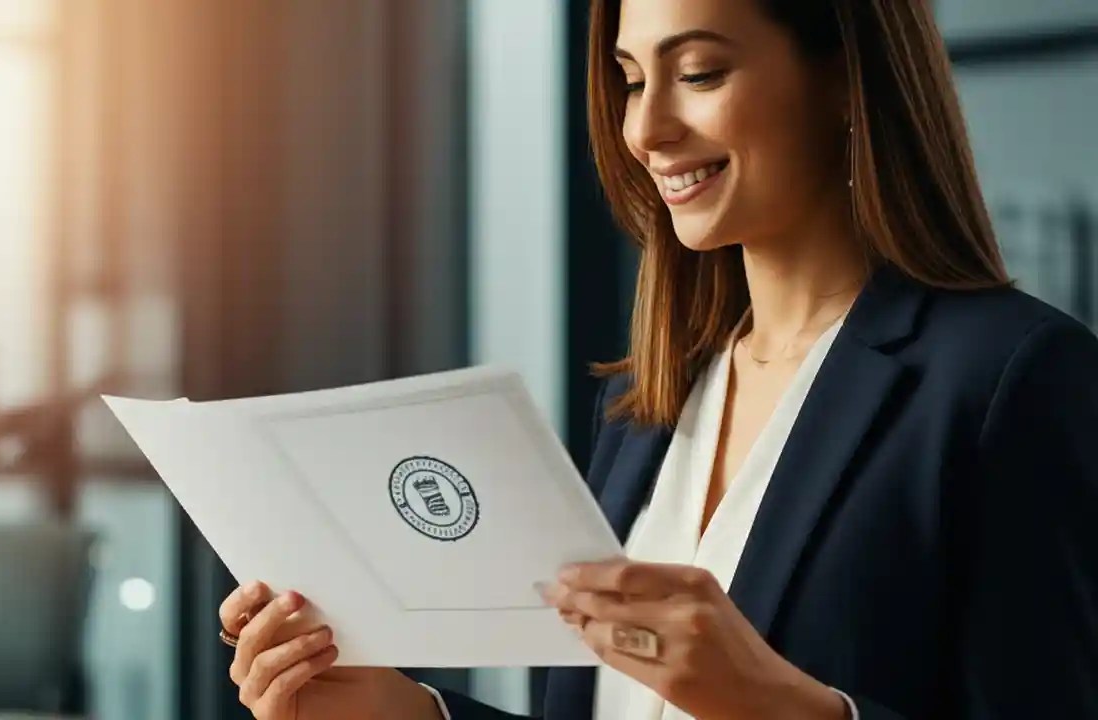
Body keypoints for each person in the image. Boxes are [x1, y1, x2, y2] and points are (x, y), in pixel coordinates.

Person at [216, 0, 1098, 717]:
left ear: (843, 78)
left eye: (700, 73)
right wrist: (397, 712)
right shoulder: (649, 402)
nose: (648, 127)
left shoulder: (1011, 378)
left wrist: (780, 708)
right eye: (633, 81)